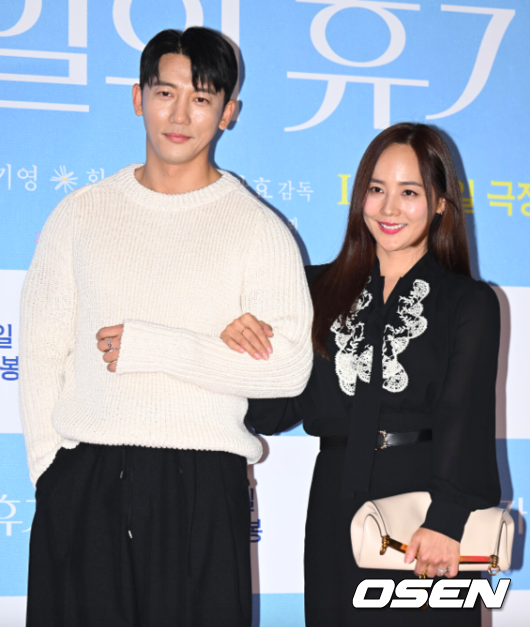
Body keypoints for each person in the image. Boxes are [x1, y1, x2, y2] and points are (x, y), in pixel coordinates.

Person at [19, 27, 313, 627]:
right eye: (165, 93)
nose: (180, 115)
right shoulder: (81, 213)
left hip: (204, 482)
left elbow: (289, 369)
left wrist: (154, 347)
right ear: (138, 98)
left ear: (228, 113)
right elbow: (41, 350)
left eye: (201, 98)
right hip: (87, 478)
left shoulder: (257, 229)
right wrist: (51, 474)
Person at [220, 123, 501, 626]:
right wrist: (249, 346)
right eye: (376, 189)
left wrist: (447, 520)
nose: (389, 208)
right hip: (335, 503)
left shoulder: (468, 301)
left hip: (427, 507)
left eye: (409, 192)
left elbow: (465, 416)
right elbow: (274, 411)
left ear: (440, 203)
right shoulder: (314, 288)